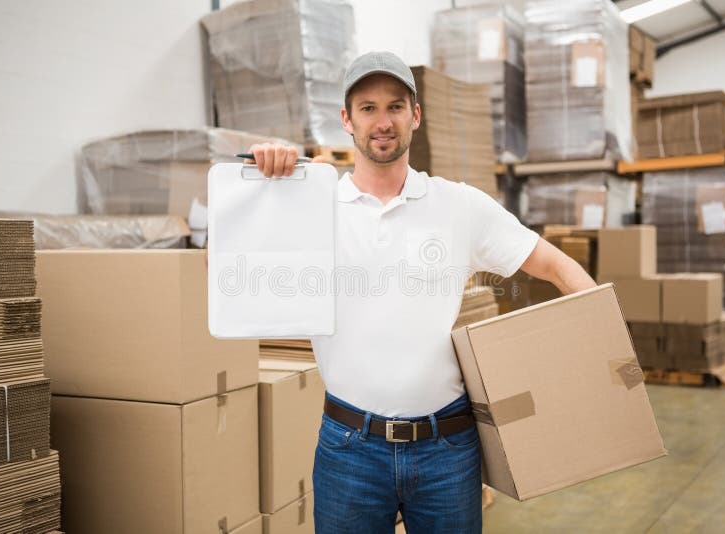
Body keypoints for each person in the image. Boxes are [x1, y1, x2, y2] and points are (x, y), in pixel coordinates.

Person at [240, 51, 596, 533]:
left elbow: (554, 264)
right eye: (367, 108)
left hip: (446, 450)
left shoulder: (459, 206)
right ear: (346, 120)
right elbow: (224, 272)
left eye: (395, 106)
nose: (382, 121)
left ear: (416, 115)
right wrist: (260, 189)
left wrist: (604, 334)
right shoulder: (312, 206)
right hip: (350, 450)